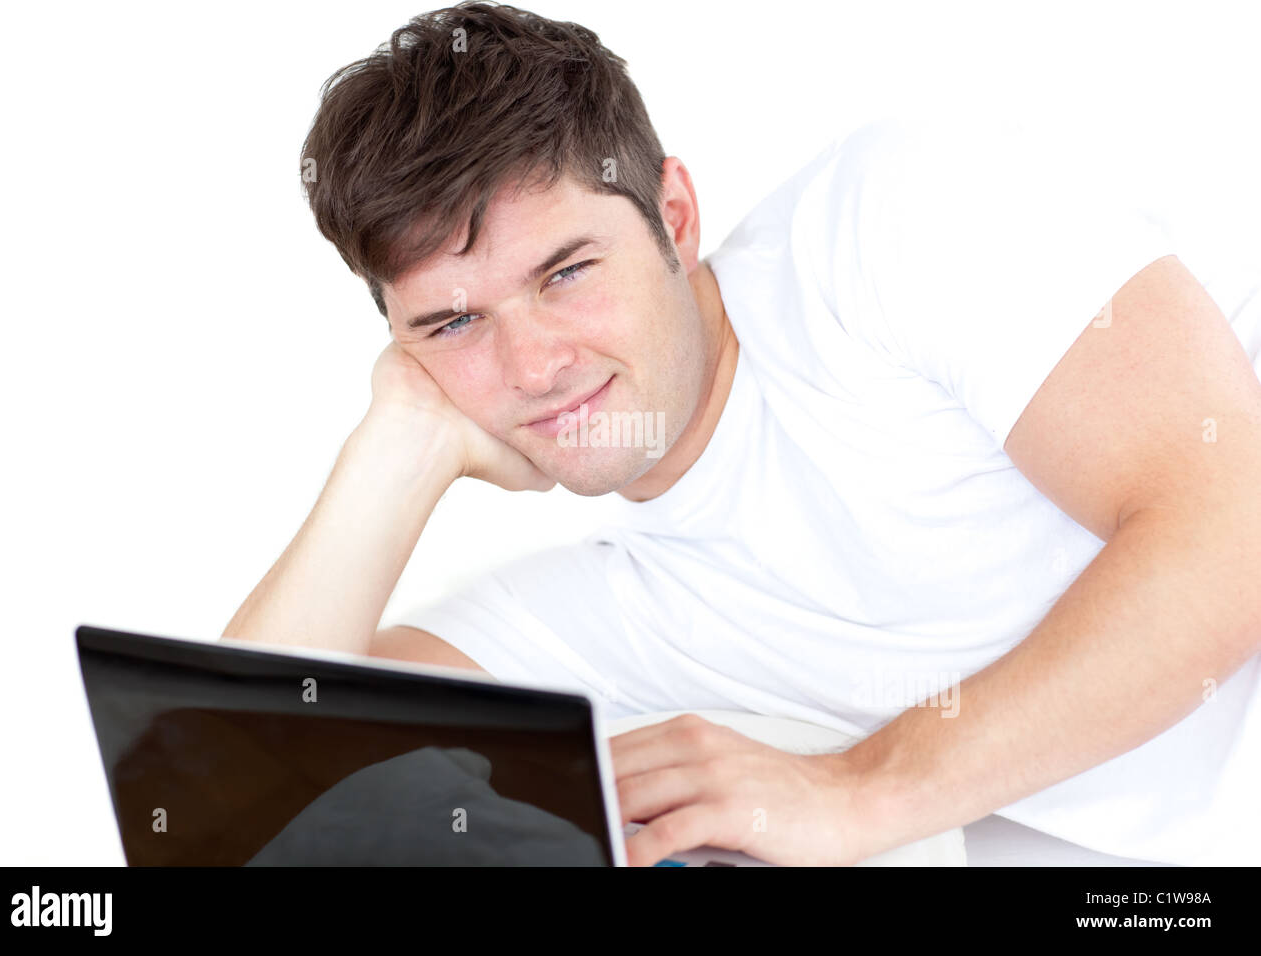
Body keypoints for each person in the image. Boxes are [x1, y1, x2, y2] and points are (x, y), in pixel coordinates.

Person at [223, 1, 1261, 866]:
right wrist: (394, 454)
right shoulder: (616, 604)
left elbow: (1235, 525)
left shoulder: (885, 220)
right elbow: (236, 792)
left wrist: (857, 790)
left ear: (674, 215)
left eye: (565, 272)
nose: (533, 366)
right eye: (453, 323)